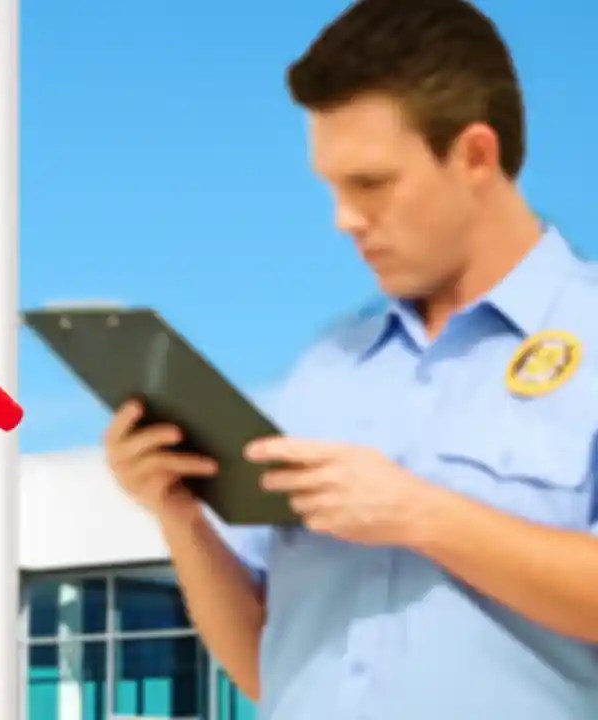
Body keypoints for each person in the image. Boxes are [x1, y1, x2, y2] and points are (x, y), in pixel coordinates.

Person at [102, 0, 598, 718]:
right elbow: (265, 667)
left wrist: (418, 514)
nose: (345, 219)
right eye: (332, 187)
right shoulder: (326, 369)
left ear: (475, 157)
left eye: (371, 184)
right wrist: (179, 517)